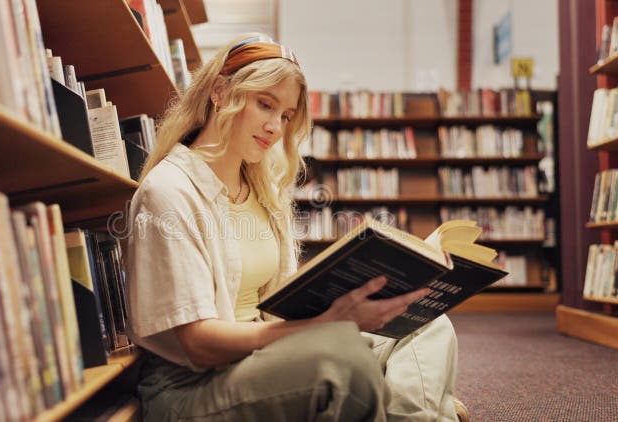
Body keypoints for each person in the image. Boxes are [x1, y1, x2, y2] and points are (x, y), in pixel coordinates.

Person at [124, 33, 465, 421]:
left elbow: (277, 302)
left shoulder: (261, 189)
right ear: (219, 91)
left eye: (286, 116)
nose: (275, 127)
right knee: (342, 361)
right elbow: (199, 344)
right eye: (265, 104)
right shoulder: (168, 191)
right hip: (193, 385)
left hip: (265, 354)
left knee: (427, 324)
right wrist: (320, 327)